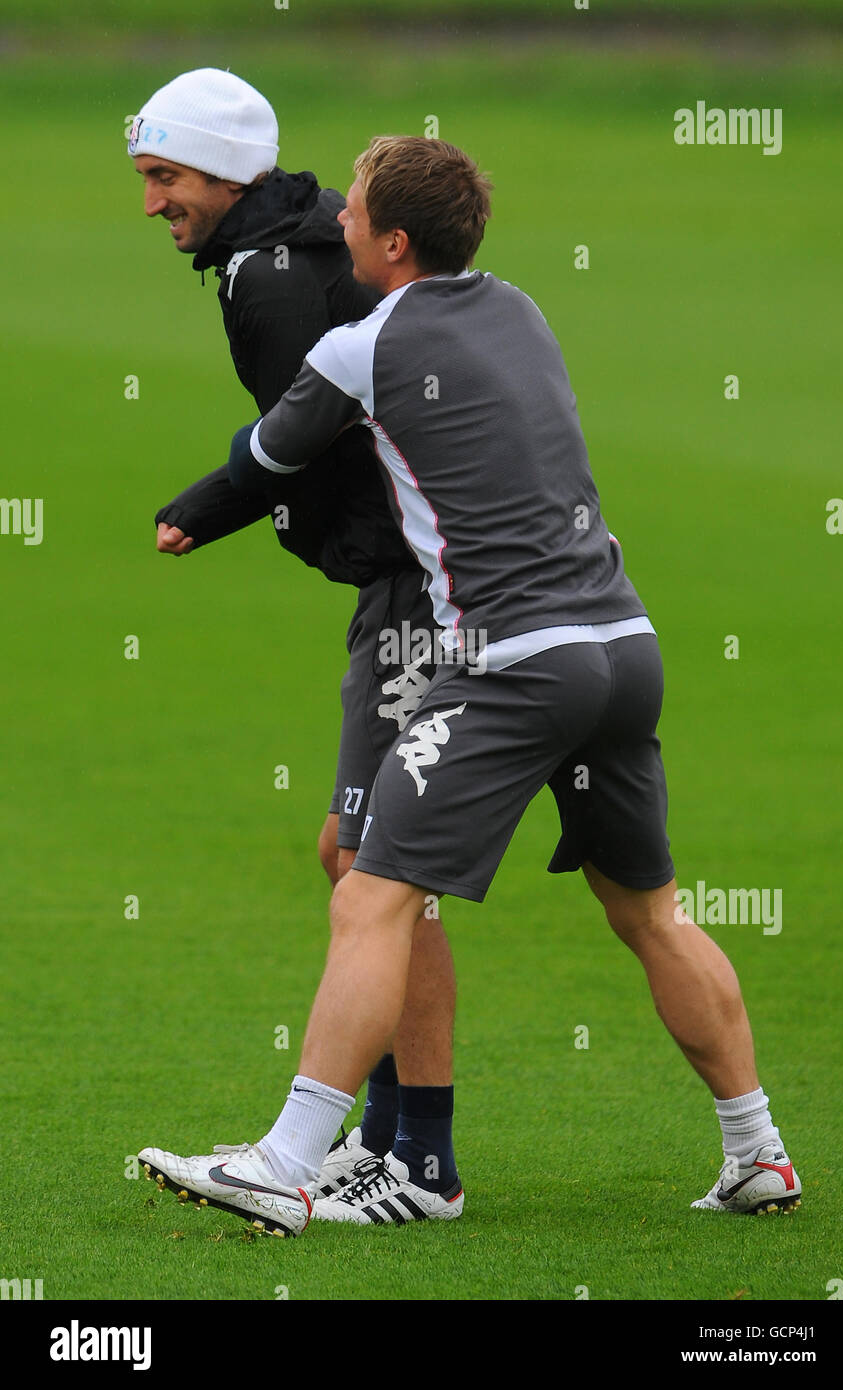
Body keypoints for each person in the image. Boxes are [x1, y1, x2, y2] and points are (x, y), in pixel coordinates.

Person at [138, 135, 800, 1237]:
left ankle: (288, 1163)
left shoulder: (364, 345)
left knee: (370, 889)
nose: (334, 224)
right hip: (624, 646)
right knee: (649, 915)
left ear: (392, 243)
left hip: (515, 663)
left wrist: (192, 513)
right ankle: (756, 1151)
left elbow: (272, 455)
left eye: (349, 213)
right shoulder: (522, 307)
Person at [129, 72, 464, 1218]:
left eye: (165, 179)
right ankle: (387, 1141)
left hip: (416, 591)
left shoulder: (267, 279)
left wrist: (211, 507)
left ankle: (409, 1155)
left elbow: (302, 438)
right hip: (437, 583)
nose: (152, 204)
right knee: (375, 865)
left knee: (376, 875)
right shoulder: (308, 237)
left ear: (226, 174)